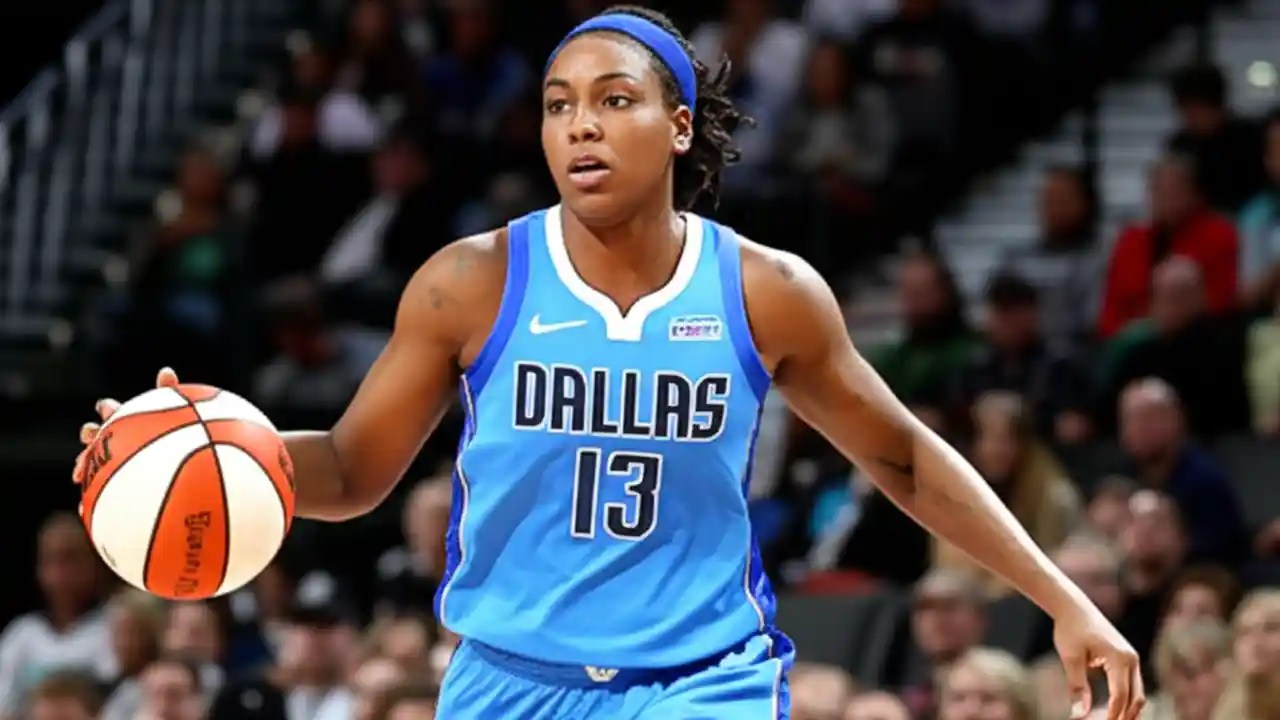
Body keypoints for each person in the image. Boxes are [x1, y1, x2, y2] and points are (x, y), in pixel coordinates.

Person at [76, 6, 1144, 719]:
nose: (580, 126)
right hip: (509, 680)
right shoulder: (471, 281)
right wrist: (199, 442)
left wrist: (1062, 599)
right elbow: (354, 472)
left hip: (700, 681)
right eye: (556, 105)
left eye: (613, 101)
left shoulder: (765, 288)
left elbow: (904, 460)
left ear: (678, 126)